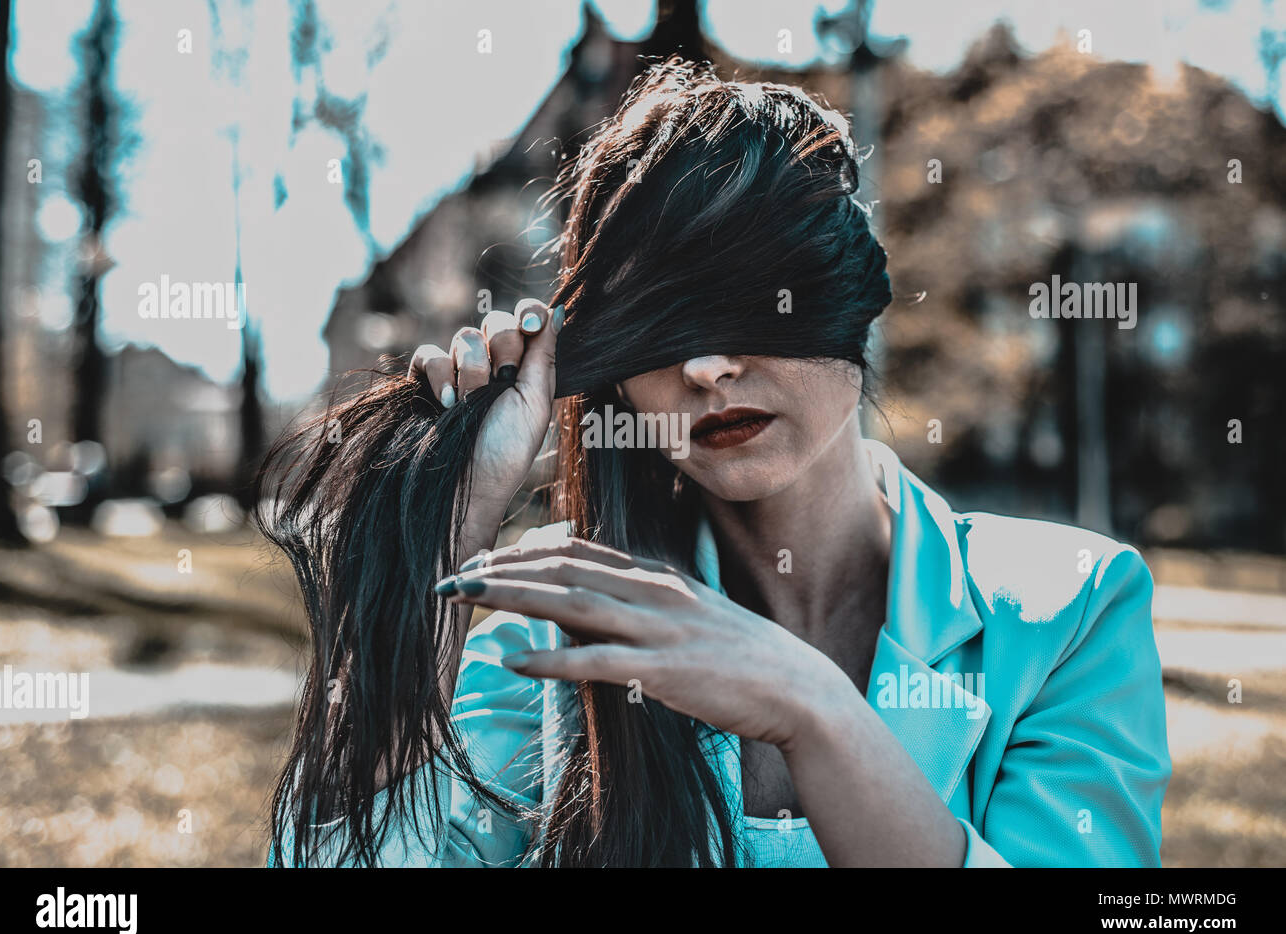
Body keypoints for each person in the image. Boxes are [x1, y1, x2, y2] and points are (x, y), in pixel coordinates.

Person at [264, 60, 1170, 868]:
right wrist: (446, 529)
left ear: (849, 306)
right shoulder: (548, 629)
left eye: (754, 301)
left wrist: (815, 713)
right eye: (662, 322)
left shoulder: (1070, 616)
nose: (705, 367)